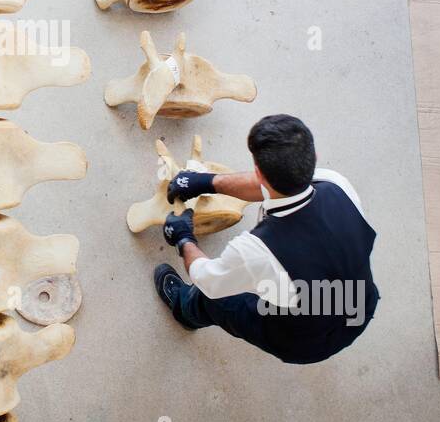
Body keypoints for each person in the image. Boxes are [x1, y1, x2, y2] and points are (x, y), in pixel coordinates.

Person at [152, 114, 379, 364]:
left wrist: (184, 239)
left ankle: (185, 310)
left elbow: (208, 279)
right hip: (360, 307)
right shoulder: (337, 185)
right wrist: (205, 182)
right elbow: (267, 186)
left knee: (214, 300)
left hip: (305, 342)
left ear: (258, 172)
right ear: (313, 158)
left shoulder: (257, 250)